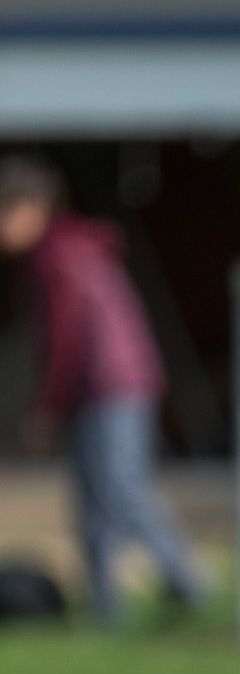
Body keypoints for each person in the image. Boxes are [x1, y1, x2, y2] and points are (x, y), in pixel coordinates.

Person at [0, 155, 206, 624]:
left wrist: (47, 406)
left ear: (34, 207)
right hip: (103, 387)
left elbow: (69, 338)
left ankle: (187, 581)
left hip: (114, 386)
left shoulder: (60, 254)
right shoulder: (62, 250)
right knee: (92, 495)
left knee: (119, 486)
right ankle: (106, 604)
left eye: (5, 212)